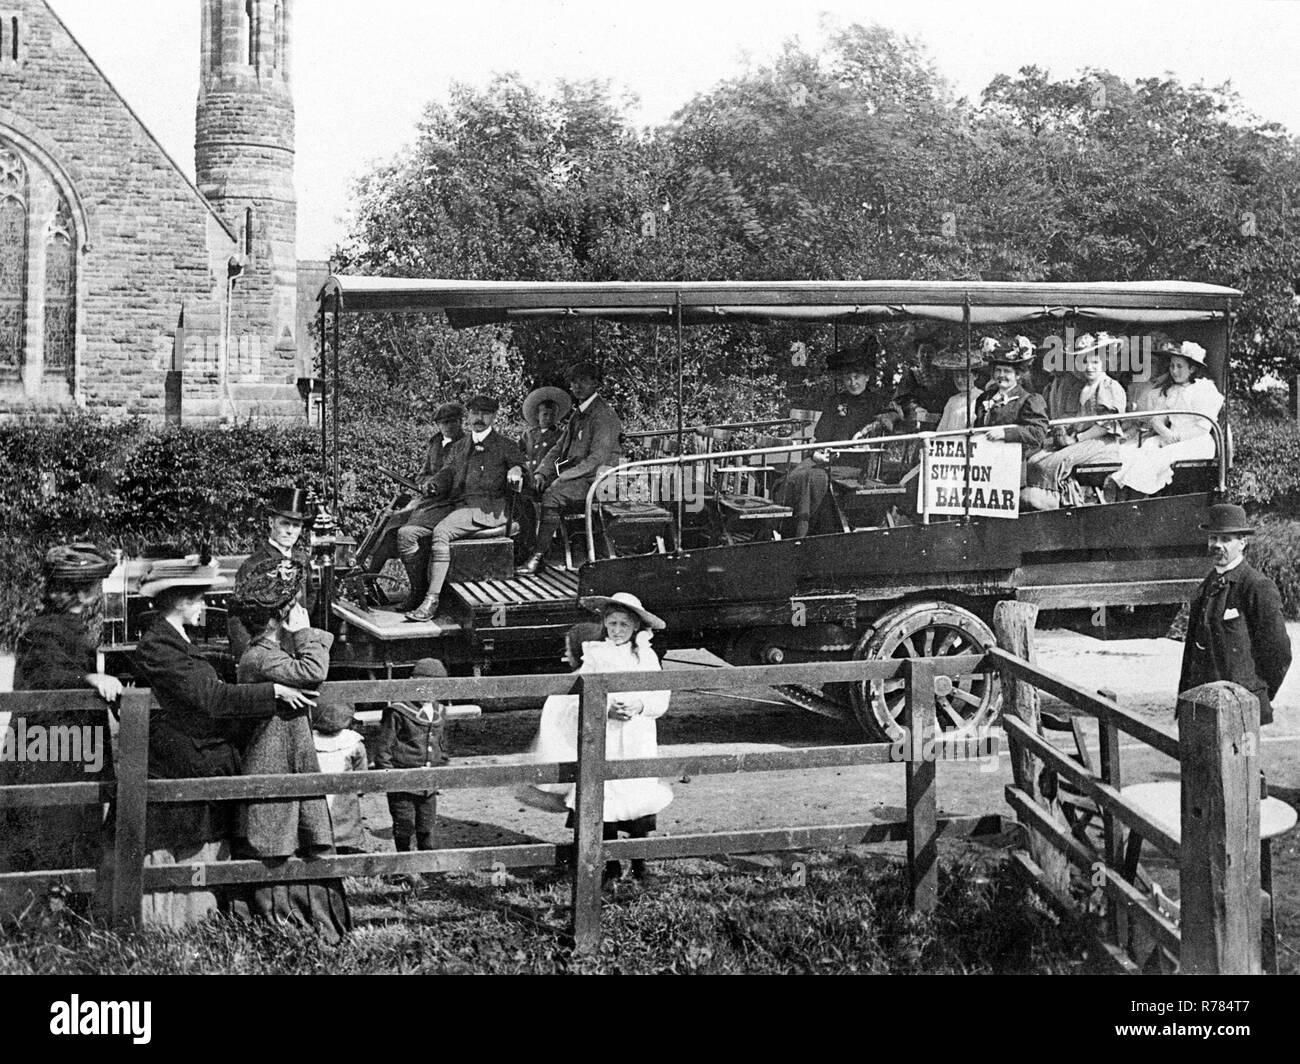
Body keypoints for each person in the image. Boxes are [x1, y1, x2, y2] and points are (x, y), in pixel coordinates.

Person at [132, 555, 316, 928]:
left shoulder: (177, 640)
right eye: (198, 599)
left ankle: (200, 919)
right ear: (179, 601)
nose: (202, 607)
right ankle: (176, 925)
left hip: (200, 760)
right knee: (184, 847)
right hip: (182, 764)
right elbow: (211, 698)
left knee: (204, 844)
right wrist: (273, 691)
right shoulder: (156, 646)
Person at [229, 560, 351, 940]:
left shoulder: (265, 653)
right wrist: (304, 631)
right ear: (279, 615)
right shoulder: (262, 657)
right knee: (277, 838)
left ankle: (303, 917)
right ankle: (284, 922)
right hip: (274, 759)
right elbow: (313, 669)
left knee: (291, 832)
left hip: (285, 757)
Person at [530, 592, 672, 884]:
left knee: (637, 799)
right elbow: (580, 693)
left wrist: (639, 705)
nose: (617, 630)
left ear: (635, 626)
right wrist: (605, 708)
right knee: (603, 797)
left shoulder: (645, 656)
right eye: (612, 623)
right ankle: (608, 868)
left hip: (636, 737)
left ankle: (639, 865)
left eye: (623, 624)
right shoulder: (596, 654)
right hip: (605, 734)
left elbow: (660, 697)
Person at [0, 544, 121, 886]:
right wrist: (88, 678)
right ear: (81, 591)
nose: (99, 591)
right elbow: (45, 677)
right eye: (96, 583)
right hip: (49, 748)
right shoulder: (46, 629)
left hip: (64, 746)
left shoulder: (65, 624)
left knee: (66, 823)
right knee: (49, 827)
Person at [403, 395, 527, 621]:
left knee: (442, 532)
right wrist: (433, 484)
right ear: (468, 416)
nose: (480, 418)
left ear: (493, 416)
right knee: (406, 534)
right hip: (459, 506)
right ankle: (418, 591)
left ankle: (431, 600)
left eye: (486, 413)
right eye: (475, 413)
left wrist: (516, 471)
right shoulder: (459, 446)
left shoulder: (505, 445)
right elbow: (447, 473)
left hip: (488, 509)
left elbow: (520, 467)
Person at [1180, 504, 1292, 726]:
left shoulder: (1257, 586)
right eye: (1213, 538)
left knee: (1242, 760)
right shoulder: (1206, 585)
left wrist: (1256, 694)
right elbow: (1192, 652)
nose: (1217, 545)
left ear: (1242, 543)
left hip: (1242, 709)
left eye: (1226, 539)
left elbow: (1278, 652)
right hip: (1204, 706)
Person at [772, 340, 891, 538]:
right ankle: (786, 532)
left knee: (811, 478)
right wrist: (817, 453)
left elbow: (893, 417)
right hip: (827, 461)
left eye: (857, 377)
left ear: (867, 377)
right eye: (847, 378)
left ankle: (806, 534)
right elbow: (821, 437)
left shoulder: (876, 402)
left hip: (856, 464)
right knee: (792, 477)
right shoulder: (835, 401)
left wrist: (869, 432)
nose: (853, 382)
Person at [516, 362, 624, 575]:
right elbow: (558, 448)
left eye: (583, 380)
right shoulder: (579, 414)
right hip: (576, 477)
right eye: (574, 381)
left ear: (596, 383)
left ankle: (538, 557)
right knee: (525, 488)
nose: (576, 386)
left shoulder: (603, 415)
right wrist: (541, 472)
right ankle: (526, 548)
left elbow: (597, 458)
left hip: (599, 481)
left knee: (553, 494)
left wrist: (564, 477)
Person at [362, 402, 466, 592]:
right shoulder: (435, 443)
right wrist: (425, 484)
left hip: (450, 505)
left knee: (402, 530)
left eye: (453, 421)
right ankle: (368, 579)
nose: (448, 426)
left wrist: (434, 486)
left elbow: (459, 479)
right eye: (443, 422)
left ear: (460, 422)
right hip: (429, 500)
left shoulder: (465, 446)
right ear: (438, 425)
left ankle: (418, 592)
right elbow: (423, 473)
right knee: (390, 528)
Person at [1104, 341, 1223, 499]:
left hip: (1197, 442)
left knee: (1162, 455)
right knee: (1146, 447)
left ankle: (1128, 490)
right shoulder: (1172, 390)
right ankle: (1123, 487)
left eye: (1179, 366)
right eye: (1172, 366)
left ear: (1192, 369)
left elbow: (1203, 428)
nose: (1174, 371)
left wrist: (1175, 438)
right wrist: (1161, 428)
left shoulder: (1204, 390)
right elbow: (1161, 417)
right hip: (1172, 437)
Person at [1024, 334, 1128, 510]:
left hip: (1102, 442)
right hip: (1082, 439)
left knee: (1053, 462)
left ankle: (1056, 502)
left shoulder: (1110, 386)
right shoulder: (1082, 386)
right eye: (1085, 362)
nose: (1089, 367)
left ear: (1105, 361)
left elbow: (1105, 426)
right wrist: (1065, 432)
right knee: (1035, 460)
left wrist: (1076, 439)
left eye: (1095, 362)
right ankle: (1042, 499)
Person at [374, 657, 450, 855]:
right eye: (422, 686)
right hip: (402, 781)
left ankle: (427, 862)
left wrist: (439, 772)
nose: (428, 693)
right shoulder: (399, 711)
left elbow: (442, 745)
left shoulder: (440, 711)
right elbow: (384, 748)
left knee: (426, 826)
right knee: (404, 824)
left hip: (428, 783)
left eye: (435, 688)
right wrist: (388, 777)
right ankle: (405, 865)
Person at [228, 486, 313, 660]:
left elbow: (310, 598)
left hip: (299, 650)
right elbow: (236, 619)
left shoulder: (303, 560)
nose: (290, 530)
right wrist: (247, 658)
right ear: (271, 522)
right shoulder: (254, 564)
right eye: (284, 523)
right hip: (266, 655)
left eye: (296, 525)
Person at [974, 337, 1049, 485]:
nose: (1001, 375)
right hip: (985, 461)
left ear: (1018, 375)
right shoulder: (985, 398)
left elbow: (1038, 432)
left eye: (1007, 371)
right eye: (998, 371)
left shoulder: (1029, 400)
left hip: (1012, 462)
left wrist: (1005, 433)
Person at [311, 703, 369, 854]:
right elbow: (361, 773)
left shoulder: (309, 741)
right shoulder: (354, 744)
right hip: (344, 796)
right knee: (344, 826)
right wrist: (360, 790)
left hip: (319, 794)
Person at [933, 345, 987, 433]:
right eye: (956, 376)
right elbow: (941, 430)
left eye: (964, 376)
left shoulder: (981, 397)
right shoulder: (952, 400)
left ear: (976, 376)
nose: (959, 380)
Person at [520, 386, 570, 477]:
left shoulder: (561, 435)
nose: (548, 418)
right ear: (537, 415)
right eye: (545, 414)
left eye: (553, 415)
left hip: (548, 477)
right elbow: (518, 453)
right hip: (528, 476)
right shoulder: (528, 434)